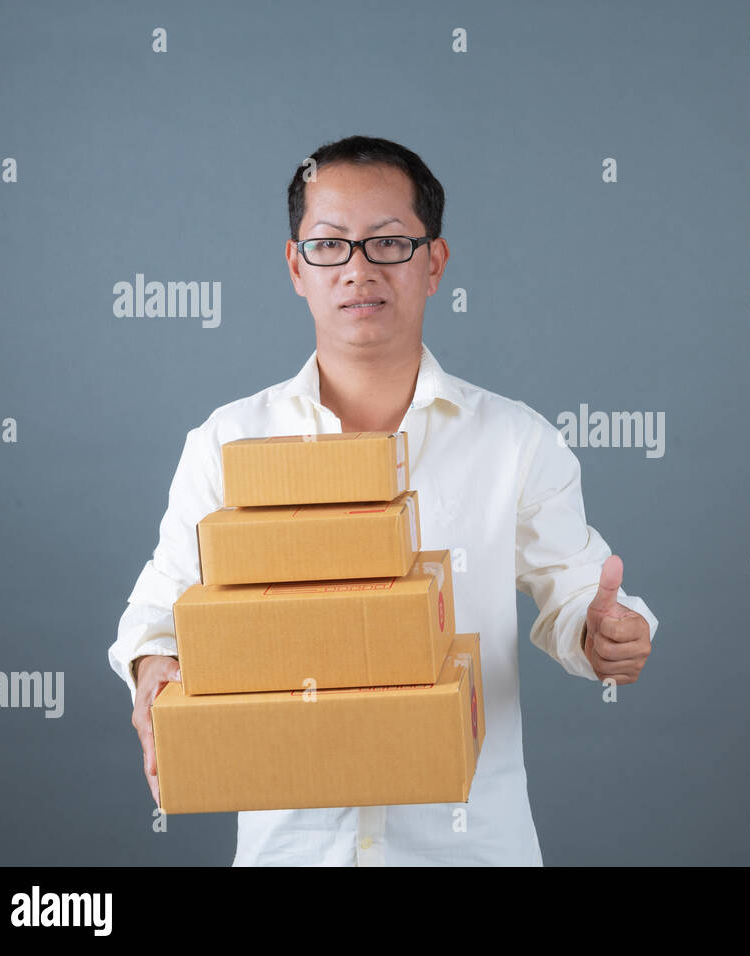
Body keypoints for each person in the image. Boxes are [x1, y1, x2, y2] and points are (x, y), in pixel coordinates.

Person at [107, 135, 659, 865]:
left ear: (434, 264)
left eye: (389, 243)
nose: (359, 269)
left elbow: (579, 596)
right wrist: (154, 670)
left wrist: (607, 632)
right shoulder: (228, 443)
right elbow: (158, 606)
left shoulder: (516, 442)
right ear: (295, 267)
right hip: (293, 850)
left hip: (468, 849)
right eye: (330, 245)